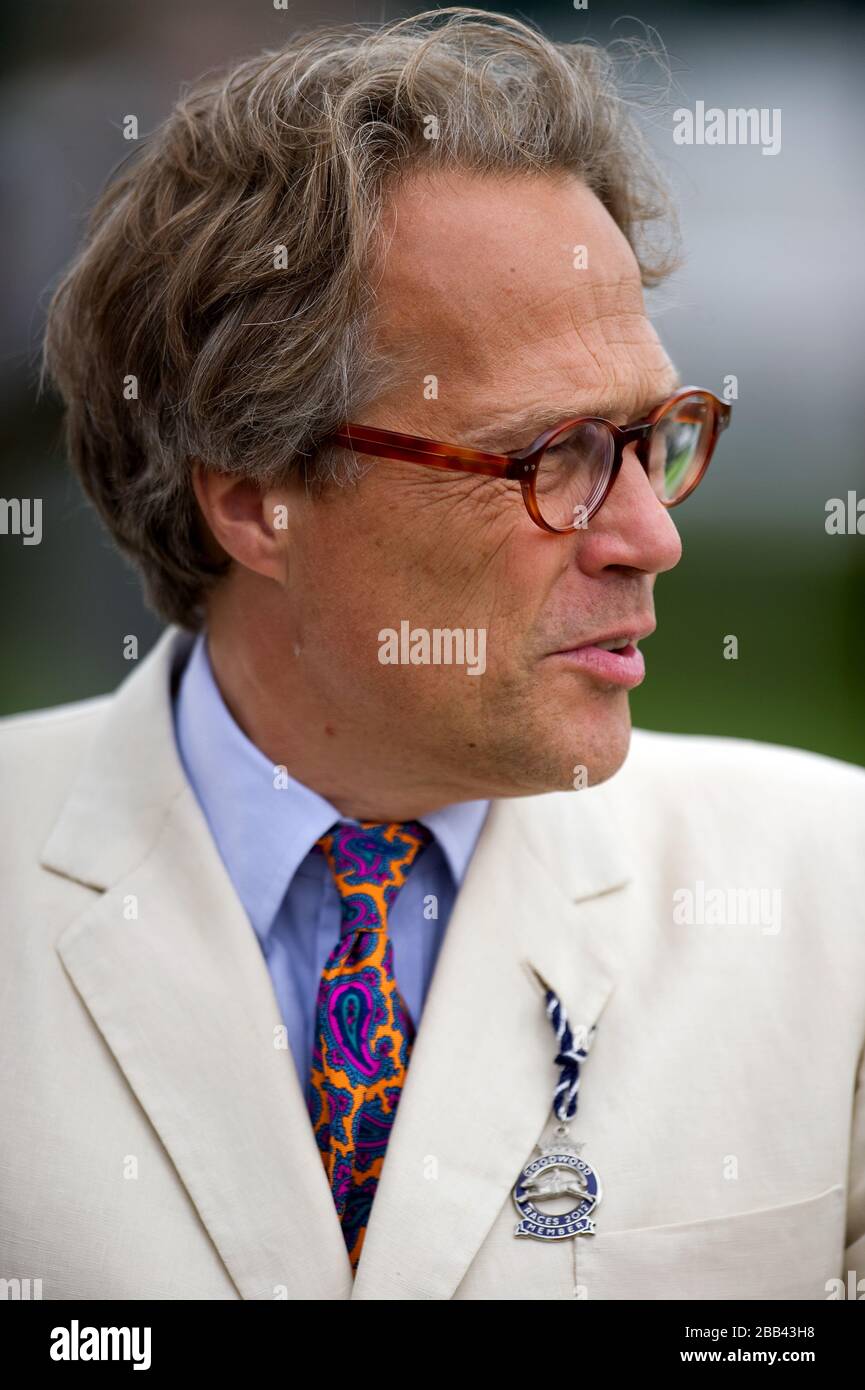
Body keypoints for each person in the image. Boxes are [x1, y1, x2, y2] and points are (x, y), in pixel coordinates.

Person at [2, 7, 863, 1302]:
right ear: (252, 499)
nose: (648, 534)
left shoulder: (831, 896)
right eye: (550, 457)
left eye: (655, 437)